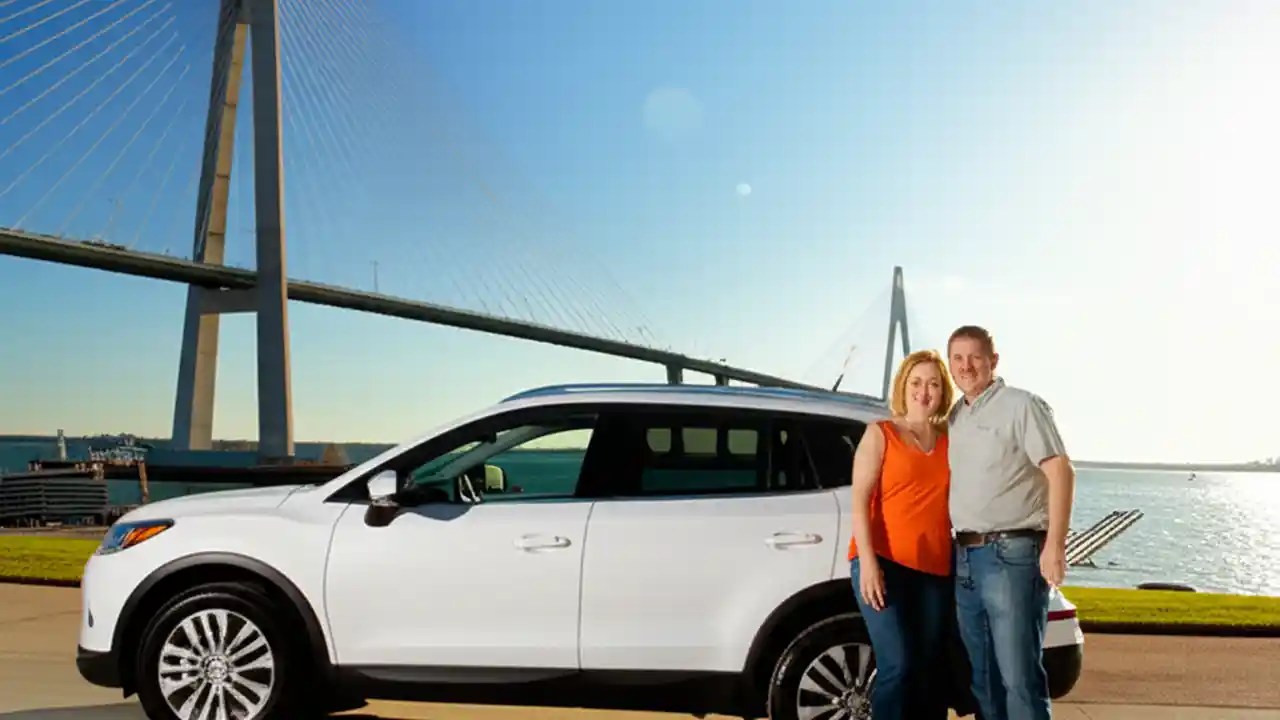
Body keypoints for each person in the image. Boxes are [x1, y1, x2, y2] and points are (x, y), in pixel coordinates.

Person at [945, 325, 1076, 720]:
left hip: (1013, 554)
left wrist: (1055, 545)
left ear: (993, 361)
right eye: (957, 358)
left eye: (975, 357)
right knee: (982, 679)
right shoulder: (955, 416)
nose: (966, 366)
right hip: (965, 557)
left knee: (1019, 679)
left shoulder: (1022, 405)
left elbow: (1061, 471)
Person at [848, 349, 955, 720]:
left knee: (929, 673)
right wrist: (868, 564)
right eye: (916, 382)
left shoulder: (949, 442)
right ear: (903, 386)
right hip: (884, 563)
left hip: (935, 571)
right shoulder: (881, 434)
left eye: (933, 384)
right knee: (899, 665)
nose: (924, 391)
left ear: (943, 392)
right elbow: (859, 501)